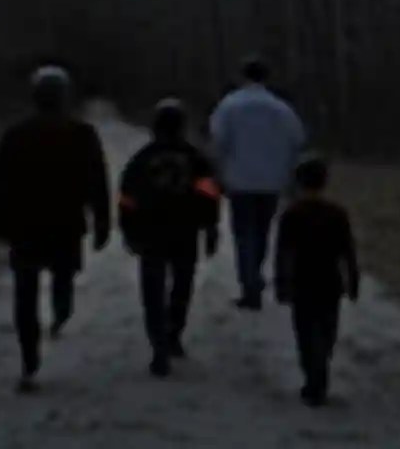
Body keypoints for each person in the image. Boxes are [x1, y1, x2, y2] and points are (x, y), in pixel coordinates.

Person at [0, 66, 111, 392]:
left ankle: (29, 356)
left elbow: (0, 184)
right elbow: (97, 182)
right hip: (66, 223)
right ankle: (60, 314)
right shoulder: (82, 134)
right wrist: (101, 222)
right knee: (63, 277)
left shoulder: (15, 135)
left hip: (25, 224)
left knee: (25, 292)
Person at [118, 99, 221, 378]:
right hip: (185, 231)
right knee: (182, 285)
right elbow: (209, 196)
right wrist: (211, 228)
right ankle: (174, 333)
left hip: (150, 232)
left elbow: (127, 199)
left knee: (152, 291)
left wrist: (128, 230)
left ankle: (158, 345)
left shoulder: (141, 159)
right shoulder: (195, 158)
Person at [209, 57, 306, 310]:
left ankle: (249, 284)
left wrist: (218, 173)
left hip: (239, 180)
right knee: (262, 231)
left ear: (243, 76)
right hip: (272, 180)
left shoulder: (230, 105)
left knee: (243, 234)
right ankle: (255, 275)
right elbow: (298, 139)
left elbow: (218, 140)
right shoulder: (280, 108)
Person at [274, 155, 360, 407]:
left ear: (299, 183)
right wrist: (353, 279)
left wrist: (282, 283)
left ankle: (313, 375)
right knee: (327, 329)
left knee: (304, 332)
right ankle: (321, 365)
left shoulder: (292, 215)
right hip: (330, 282)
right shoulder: (337, 214)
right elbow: (348, 251)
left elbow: (283, 254)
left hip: (302, 283)